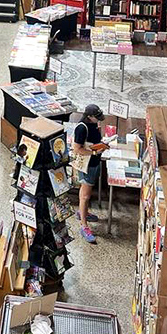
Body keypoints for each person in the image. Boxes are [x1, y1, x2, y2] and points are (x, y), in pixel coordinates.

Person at [72, 104, 109, 244]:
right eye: (96, 118)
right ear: (89, 117)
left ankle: (84, 213)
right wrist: (94, 152)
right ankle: (84, 225)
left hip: (94, 163)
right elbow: (77, 149)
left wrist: (101, 145)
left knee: (87, 193)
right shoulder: (82, 128)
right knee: (85, 196)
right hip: (86, 165)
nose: (98, 120)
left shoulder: (93, 125)